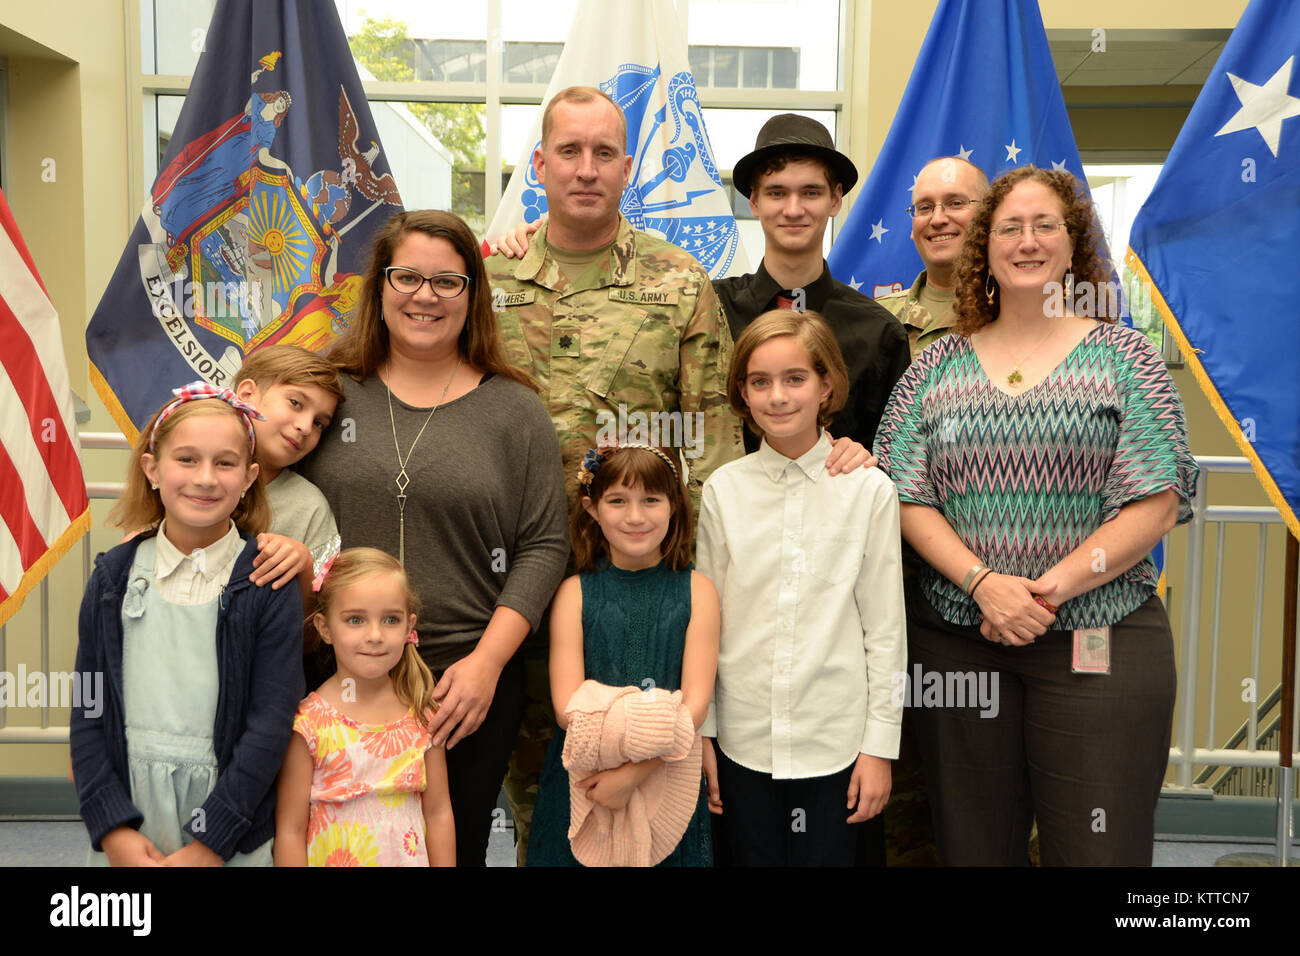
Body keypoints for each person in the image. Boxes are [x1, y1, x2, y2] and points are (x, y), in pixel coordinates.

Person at [873, 167, 1198, 866]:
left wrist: (1042, 594)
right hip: (960, 642)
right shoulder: (935, 367)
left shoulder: (1125, 356)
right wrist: (985, 584)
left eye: (1044, 225)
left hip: (1099, 640)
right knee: (972, 849)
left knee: (1097, 848)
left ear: (1073, 243)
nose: (1026, 241)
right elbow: (902, 493)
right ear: (983, 247)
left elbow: (1159, 497)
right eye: (1008, 227)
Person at [483, 85, 743, 863]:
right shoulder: (484, 286)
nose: (586, 169)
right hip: (508, 585)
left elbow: (712, 442)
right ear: (539, 164)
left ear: (628, 167)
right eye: (569, 151)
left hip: (637, 586)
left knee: (651, 776)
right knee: (542, 797)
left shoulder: (677, 281)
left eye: (604, 153)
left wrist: (686, 583)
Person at [296, 209, 569, 867]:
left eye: (448, 282)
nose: (425, 295)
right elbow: (262, 485)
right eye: (408, 277)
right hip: (333, 672)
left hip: (462, 683)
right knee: (331, 848)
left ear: (473, 294)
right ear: (380, 287)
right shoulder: (327, 392)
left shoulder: (514, 410)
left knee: (450, 847)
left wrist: (487, 665)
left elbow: (543, 545)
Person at [696, 309, 906, 866]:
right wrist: (705, 733)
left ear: (827, 385)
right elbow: (706, 624)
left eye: (795, 379)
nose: (778, 396)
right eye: (759, 382)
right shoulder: (724, 491)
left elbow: (885, 630)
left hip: (834, 742)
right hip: (743, 742)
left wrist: (878, 749)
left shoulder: (868, 491)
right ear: (742, 393)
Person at [71, 384, 304, 866]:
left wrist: (209, 844)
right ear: (153, 469)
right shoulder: (112, 580)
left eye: (224, 463)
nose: (205, 478)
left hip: (230, 824)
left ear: (248, 477)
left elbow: (270, 724)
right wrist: (113, 830)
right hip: (133, 820)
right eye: (187, 459)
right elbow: (88, 711)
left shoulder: (266, 583)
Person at [528, 445, 719, 867]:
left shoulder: (698, 592)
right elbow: (567, 708)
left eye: (651, 500)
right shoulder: (574, 593)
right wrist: (644, 731)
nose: (635, 516)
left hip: (668, 777)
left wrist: (633, 773)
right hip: (584, 781)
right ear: (591, 508)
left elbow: (696, 705)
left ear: (675, 507)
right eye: (617, 501)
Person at [716, 113, 910, 455]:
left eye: (810, 192)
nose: (793, 209)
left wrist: (869, 459)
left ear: (835, 200)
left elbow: (902, 458)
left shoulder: (879, 334)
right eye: (777, 193)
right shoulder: (710, 311)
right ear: (754, 202)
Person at [275, 547, 455, 867]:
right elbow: (290, 829)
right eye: (355, 620)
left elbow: (439, 813)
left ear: (408, 627)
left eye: (390, 620)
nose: (375, 635)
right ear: (324, 627)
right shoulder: (308, 724)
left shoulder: (424, 716)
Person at [232, 344, 345, 606]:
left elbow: (315, 631)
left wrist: (304, 566)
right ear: (247, 393)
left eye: (319, 423)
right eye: (295, 403)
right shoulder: (189, 476)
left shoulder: (309, 508)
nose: (305, 427)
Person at [877, 155, 989, 360]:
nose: (937, 219)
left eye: (955, 203)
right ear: (913, 229)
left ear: (988, 217)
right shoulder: (877, 317)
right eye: (925, 207)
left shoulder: (1010, 312)